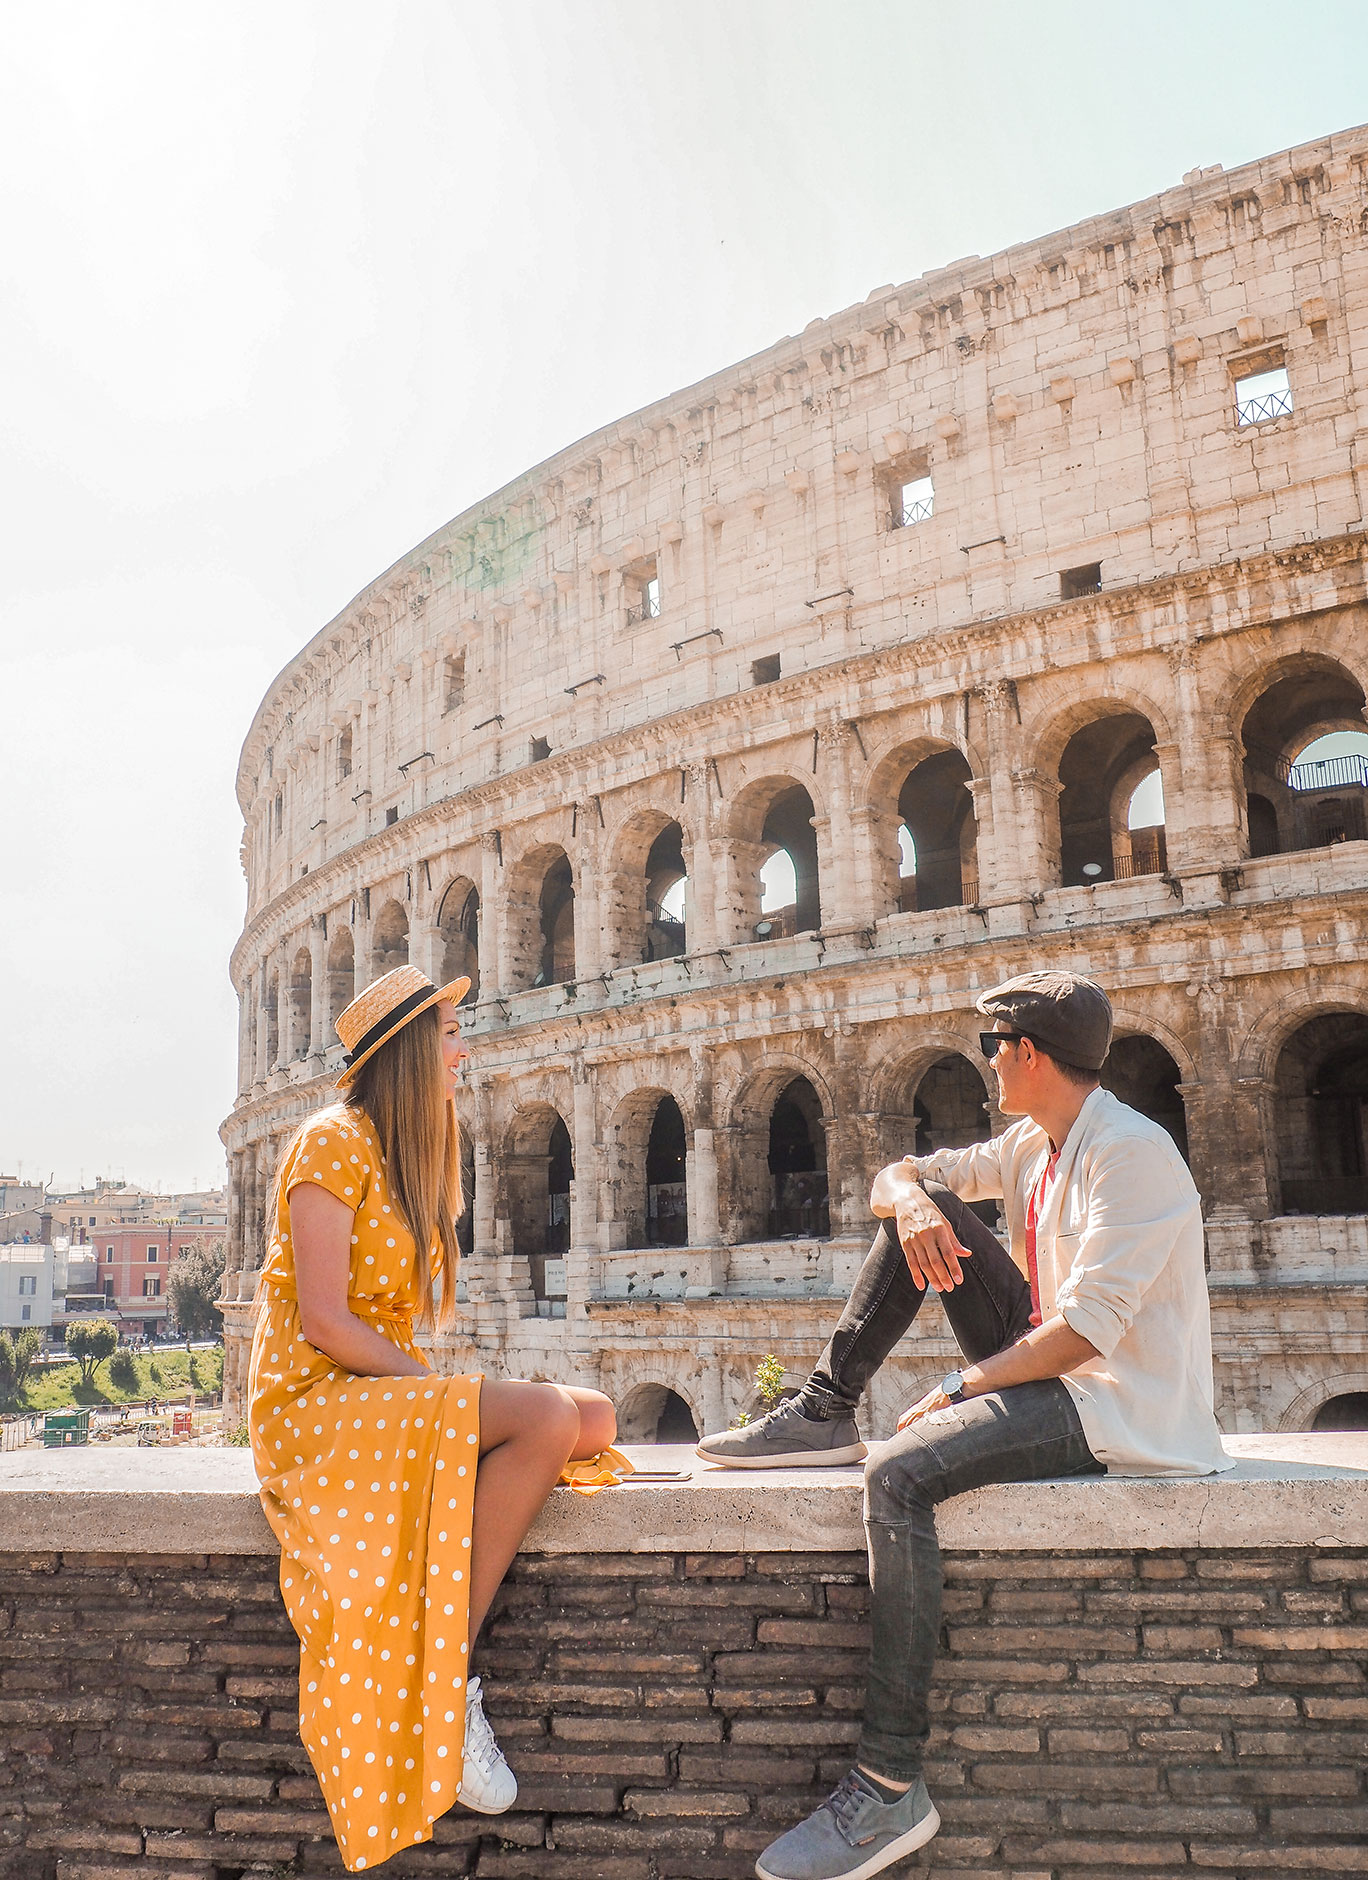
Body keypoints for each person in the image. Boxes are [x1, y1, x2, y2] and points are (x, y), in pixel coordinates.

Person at [696, 970, 1231, 1880]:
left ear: (1027, 1054)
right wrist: (911, 1200)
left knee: (899, 1474)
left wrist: (961, 1387)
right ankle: (826, 1407)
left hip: (1117, 1404)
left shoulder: (1132, 1153)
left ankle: (889, 1784)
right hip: (1048, 1362)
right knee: (925, 1213)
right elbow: (898, 1177)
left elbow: (1087, 1333)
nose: (986, 1064)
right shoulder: (1034, 1141)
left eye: (993, 1047)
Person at [248, 964, 615, 1872]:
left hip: (369, 1391)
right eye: (451, 1034)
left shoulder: (407, 1154)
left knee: (596, 1419)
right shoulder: (330, 1142)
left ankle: (440, 1662)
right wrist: (430, 1388)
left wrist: (428, 1392)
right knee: (543, 1420)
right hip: (313, 1401)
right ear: (410, 1050)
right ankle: (449, 1683)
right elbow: (324, 1322)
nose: (463, 1051)